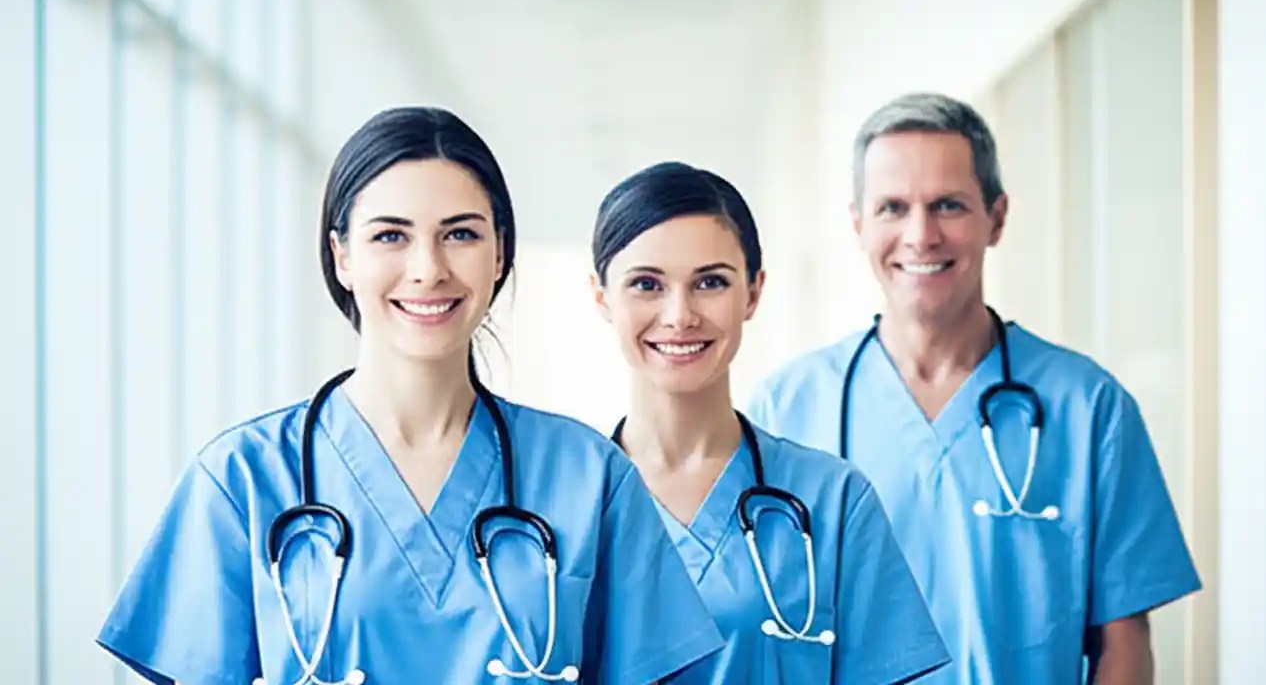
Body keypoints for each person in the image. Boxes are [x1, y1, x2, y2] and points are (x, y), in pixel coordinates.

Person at [97, 107, 724, 685]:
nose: (428, 269)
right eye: (390, 236)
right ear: (341, 255)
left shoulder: (589, 477)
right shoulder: (246, 478)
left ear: (501, 252)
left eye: (461, 235)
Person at [747, 92, 1201, 684]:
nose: (920, 235)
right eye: (892, 207)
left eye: (948, 205)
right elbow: (759, 633)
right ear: (858, 224)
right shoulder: (787, 408)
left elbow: (1123, 644)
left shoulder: (1088, 407)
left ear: (998, 217)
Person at [590, 161, 950, 684]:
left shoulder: (832, 500)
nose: (680, 315)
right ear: (602, 297)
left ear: (753, 293)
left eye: (710, 282)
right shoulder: (565, 505)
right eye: (646, 284)